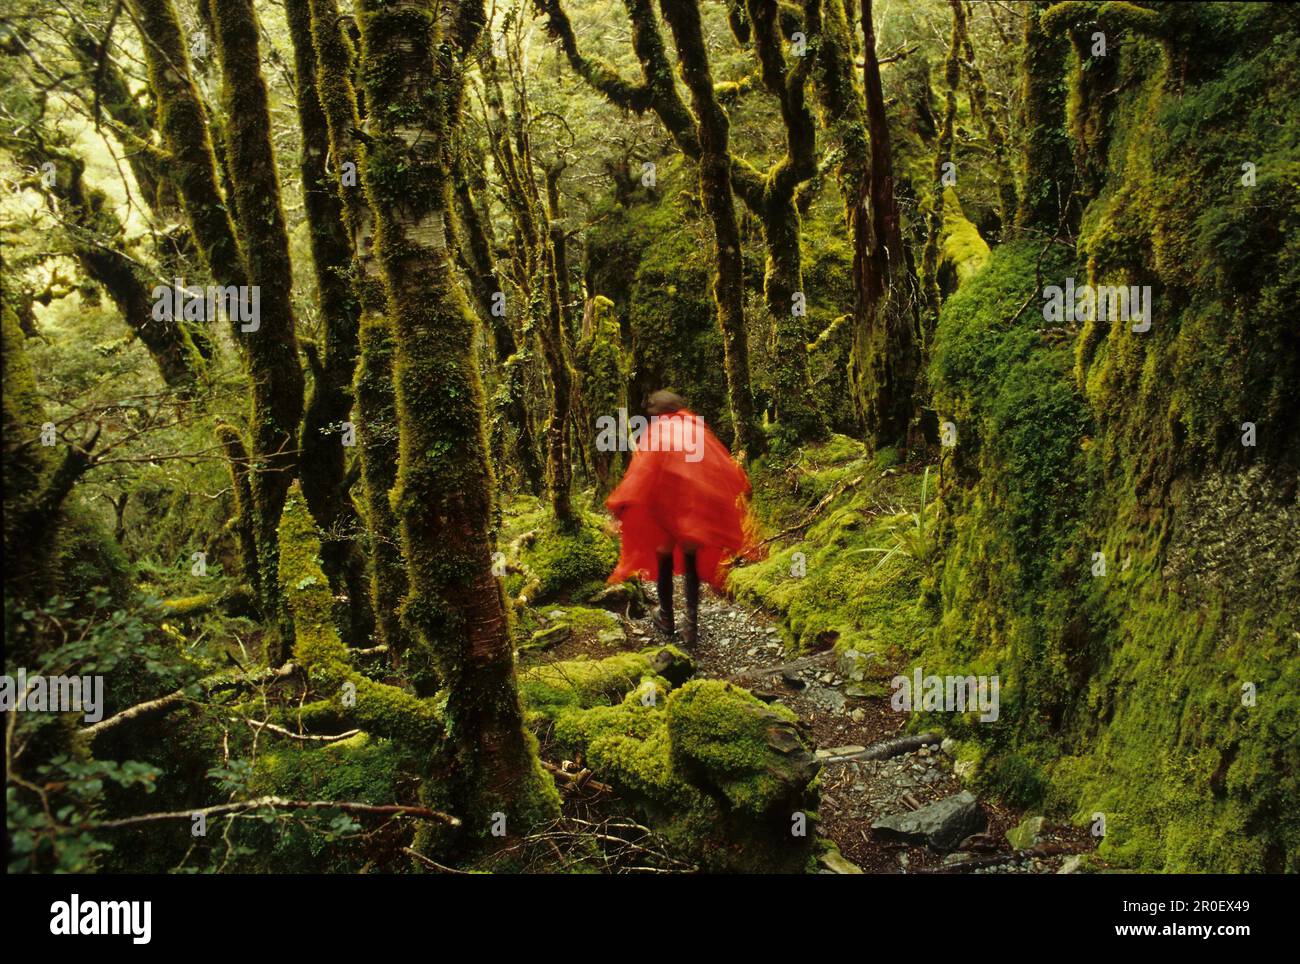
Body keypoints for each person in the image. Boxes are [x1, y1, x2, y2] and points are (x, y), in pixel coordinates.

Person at [605, 390, 759, 645]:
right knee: (691, 561)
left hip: (665, 513)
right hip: (693, 512)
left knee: (663, 554)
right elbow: (719, 466)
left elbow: (641, 475)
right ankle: (691, 623)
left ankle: (666, 617)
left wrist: (621, 506)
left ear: (658, 414)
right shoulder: (695, 428)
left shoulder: (659, 433)